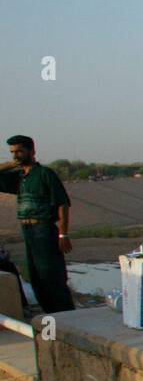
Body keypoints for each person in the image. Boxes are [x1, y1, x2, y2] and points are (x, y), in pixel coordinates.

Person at [0, 134, 76, 313]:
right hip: (28, 231)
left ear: (32, 151)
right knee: (36, 278)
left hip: (44, 229)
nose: (16, 155)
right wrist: (10, 165)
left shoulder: (44, 174)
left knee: (51, 275)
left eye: (20, 151)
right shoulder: (19, 177)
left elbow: (62, 204)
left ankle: (67, 317)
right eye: (13, 152)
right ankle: (51, 316)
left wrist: (63, 234)